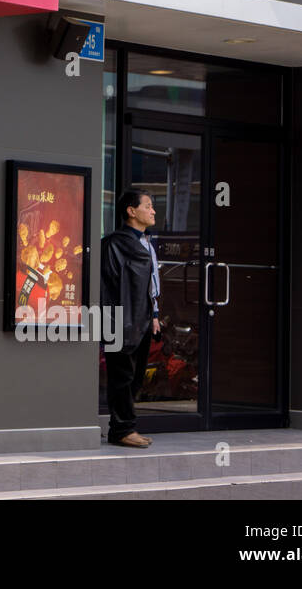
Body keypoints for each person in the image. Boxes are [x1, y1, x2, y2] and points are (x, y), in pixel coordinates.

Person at [100, 189, 162, 448]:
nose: (153, 211)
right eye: (148, 206)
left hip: (144, 318)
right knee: (122, 376)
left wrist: (154, 314)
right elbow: (109, 285)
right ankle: (122, 430)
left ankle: (123, 426)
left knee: (135, 377)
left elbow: (149, 284)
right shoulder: (115, 243)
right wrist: (113, 321)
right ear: (131, 211)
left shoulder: (145, 243)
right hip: (121, 319)